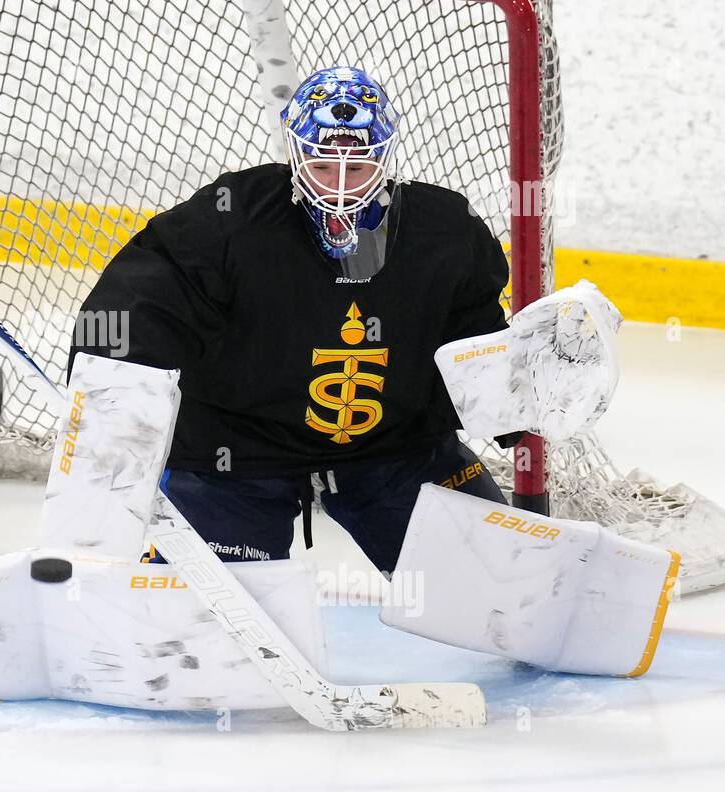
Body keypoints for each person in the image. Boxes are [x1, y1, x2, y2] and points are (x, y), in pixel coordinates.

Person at [71, 65, 514, 572]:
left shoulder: (444, 230)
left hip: (397, 447)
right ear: (296, 155)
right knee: (196, 631)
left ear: (384, 159)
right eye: (323, 168)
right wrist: (111, 379)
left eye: (358, 168)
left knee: (497, 585)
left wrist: (517, 398)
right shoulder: (232, 216)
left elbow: (472, 331)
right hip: (236, 452)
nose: (339, 188)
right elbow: (144, 297)